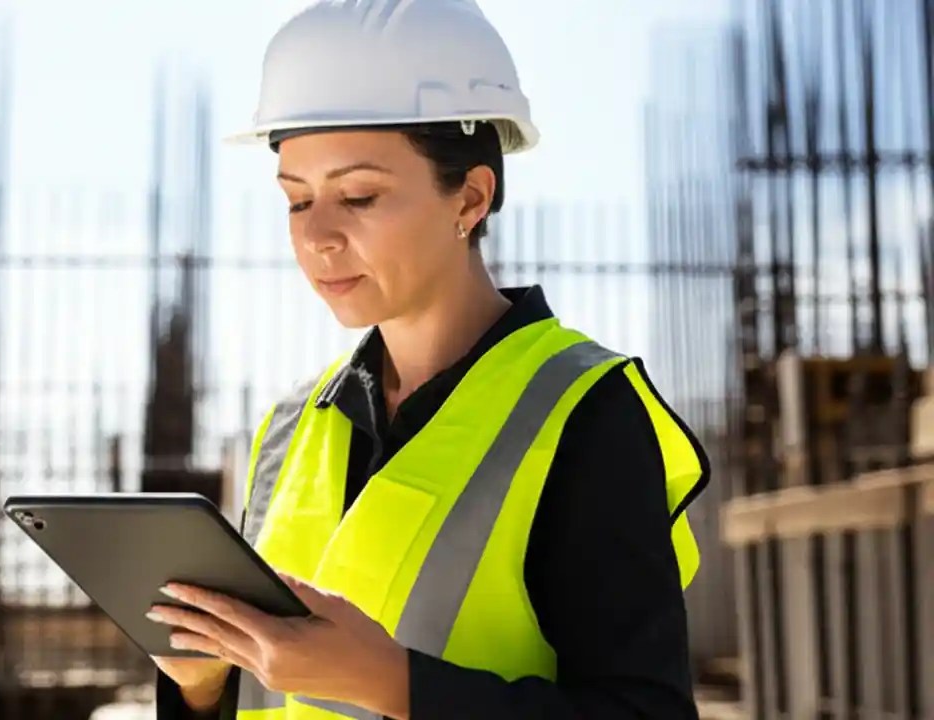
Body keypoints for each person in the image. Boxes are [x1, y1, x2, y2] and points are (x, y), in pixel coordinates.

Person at [145, 1, 710, 718]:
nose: (317, 236)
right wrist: (198, 686)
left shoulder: (585, 412)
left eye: (359, 195)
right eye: (296, 201)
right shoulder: (291, 428)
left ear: (470, 198)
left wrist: (394, 682)